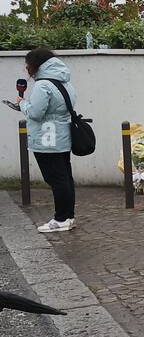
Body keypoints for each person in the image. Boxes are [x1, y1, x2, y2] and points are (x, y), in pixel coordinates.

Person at [17, 48, 77, 233]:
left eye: (27, 64)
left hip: (47, 139)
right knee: (65, 178)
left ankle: (60, 219)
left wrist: (21, 103)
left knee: (56, 179)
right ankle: (68, 216)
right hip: (62, 137)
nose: (26, 68)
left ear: (36, 64)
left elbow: (35, 113)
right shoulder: (64, 82)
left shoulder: (42, 85)